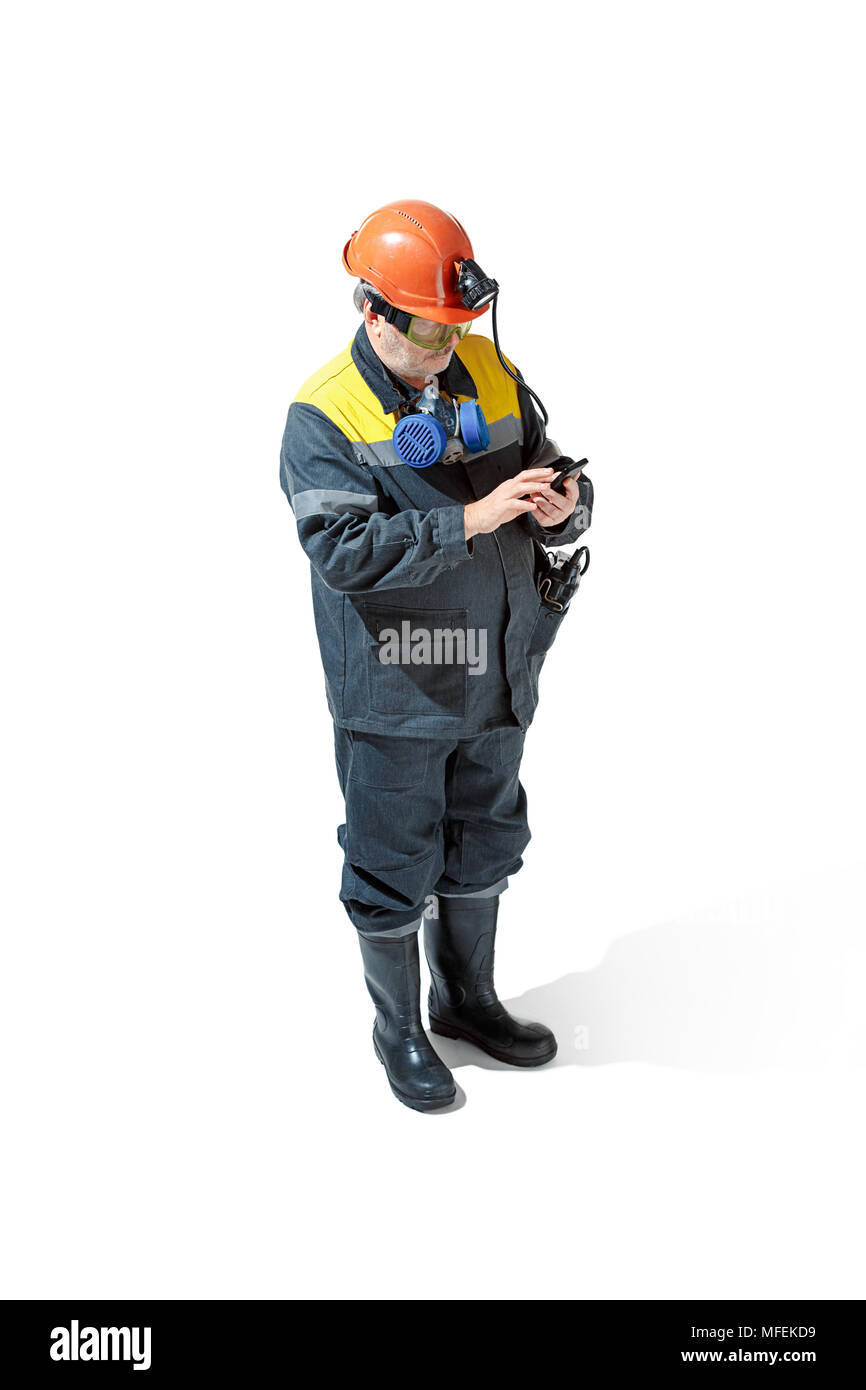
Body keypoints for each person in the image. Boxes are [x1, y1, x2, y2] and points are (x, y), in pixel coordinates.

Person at [279, 200, 593, 1111]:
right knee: (393, 852)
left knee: (486, 835)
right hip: (401, 679)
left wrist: (561, 507)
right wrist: (468, 519)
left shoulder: (487, 370)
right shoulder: (322, 414)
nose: (447, 345)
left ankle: (466, 999)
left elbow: (554, 465)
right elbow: (341, 551)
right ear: (371, 310)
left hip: (498, 665)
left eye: (458, 325)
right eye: (426, 329)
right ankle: (399, 1028)